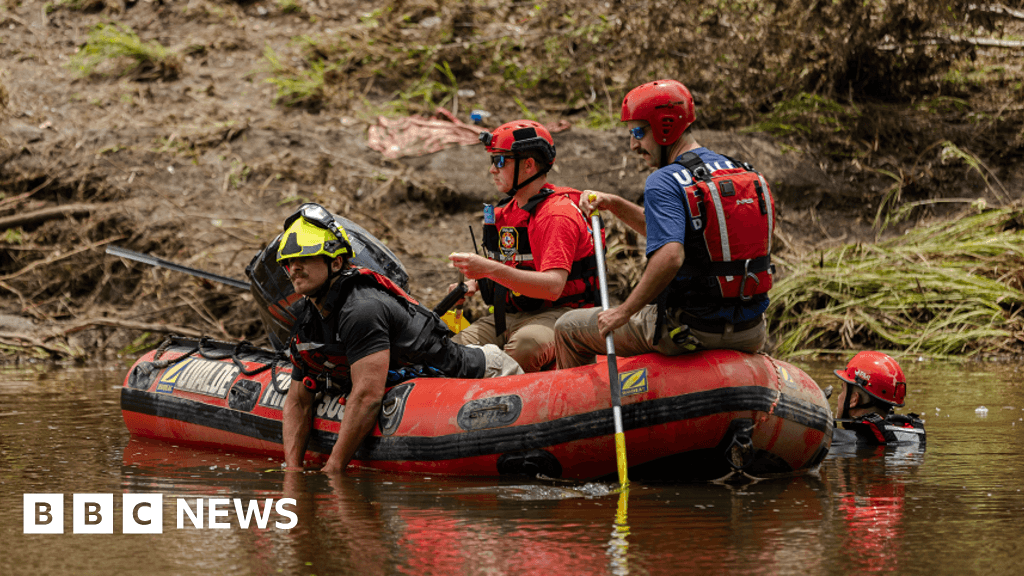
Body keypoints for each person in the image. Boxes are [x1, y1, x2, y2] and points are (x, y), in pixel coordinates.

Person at [278, 203, 523, 474]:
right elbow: (298, 400)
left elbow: (367, 397)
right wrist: (293, 471)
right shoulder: (307, 316)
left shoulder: (361, 308)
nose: (294, 268)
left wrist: (333, 469)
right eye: (288, 262)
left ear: (335, 262)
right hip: (423, 383)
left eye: (305, 258)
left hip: (487, 375)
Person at [554, 79, 775, 369]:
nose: (633, 145)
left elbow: (671, 255)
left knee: (568, 327)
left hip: (689, 330)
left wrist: (622, 312)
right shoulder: (742, 172)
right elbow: (682, 235)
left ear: (664, 127)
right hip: (751, 332)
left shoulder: (664, 180)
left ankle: (581, 408)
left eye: (638, 132)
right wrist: (616, 205)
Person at [447, 119, 599, 372]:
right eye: (492, 161)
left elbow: (553, 287)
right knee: (453, 349)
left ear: (528, 165)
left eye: (499, 161)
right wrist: (475, 283)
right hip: (509, 316)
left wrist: (488, 270)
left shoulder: (557, 215)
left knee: (525, 347)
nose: (492, 170)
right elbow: (510, 266)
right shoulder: (505, 213)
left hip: (562, 313)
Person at [831, 351, 925, 448]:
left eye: (842, 390)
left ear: (854, 399)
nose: (839, 396)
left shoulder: (833, 440)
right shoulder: (904, 436)